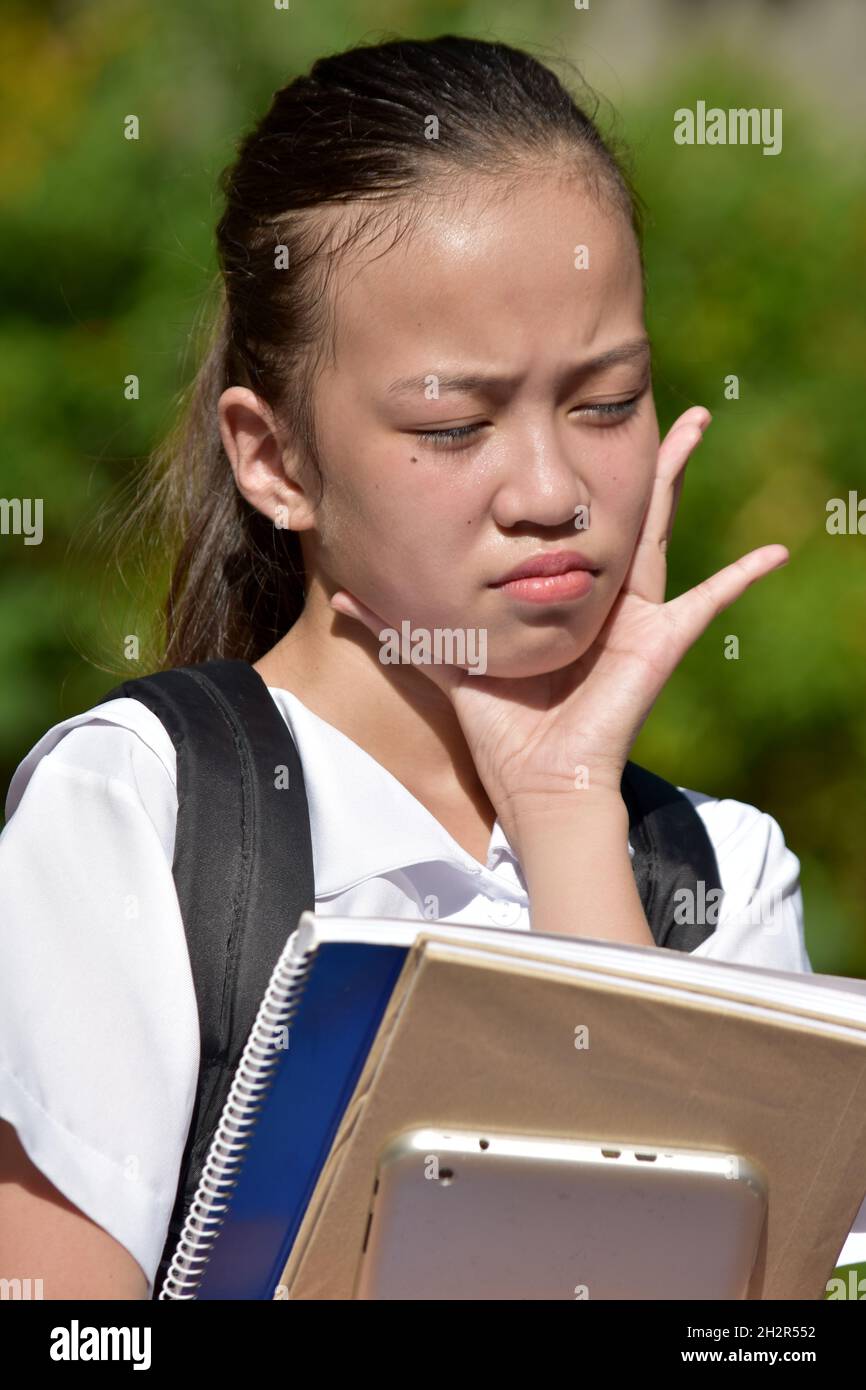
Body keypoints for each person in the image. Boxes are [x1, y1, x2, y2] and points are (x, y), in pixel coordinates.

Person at [1, 34, 861, 1301]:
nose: (553, 492)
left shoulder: (715, 880)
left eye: (606, 401)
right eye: (452, 425)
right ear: (273, 459)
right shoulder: (142, 814)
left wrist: (567, 811)